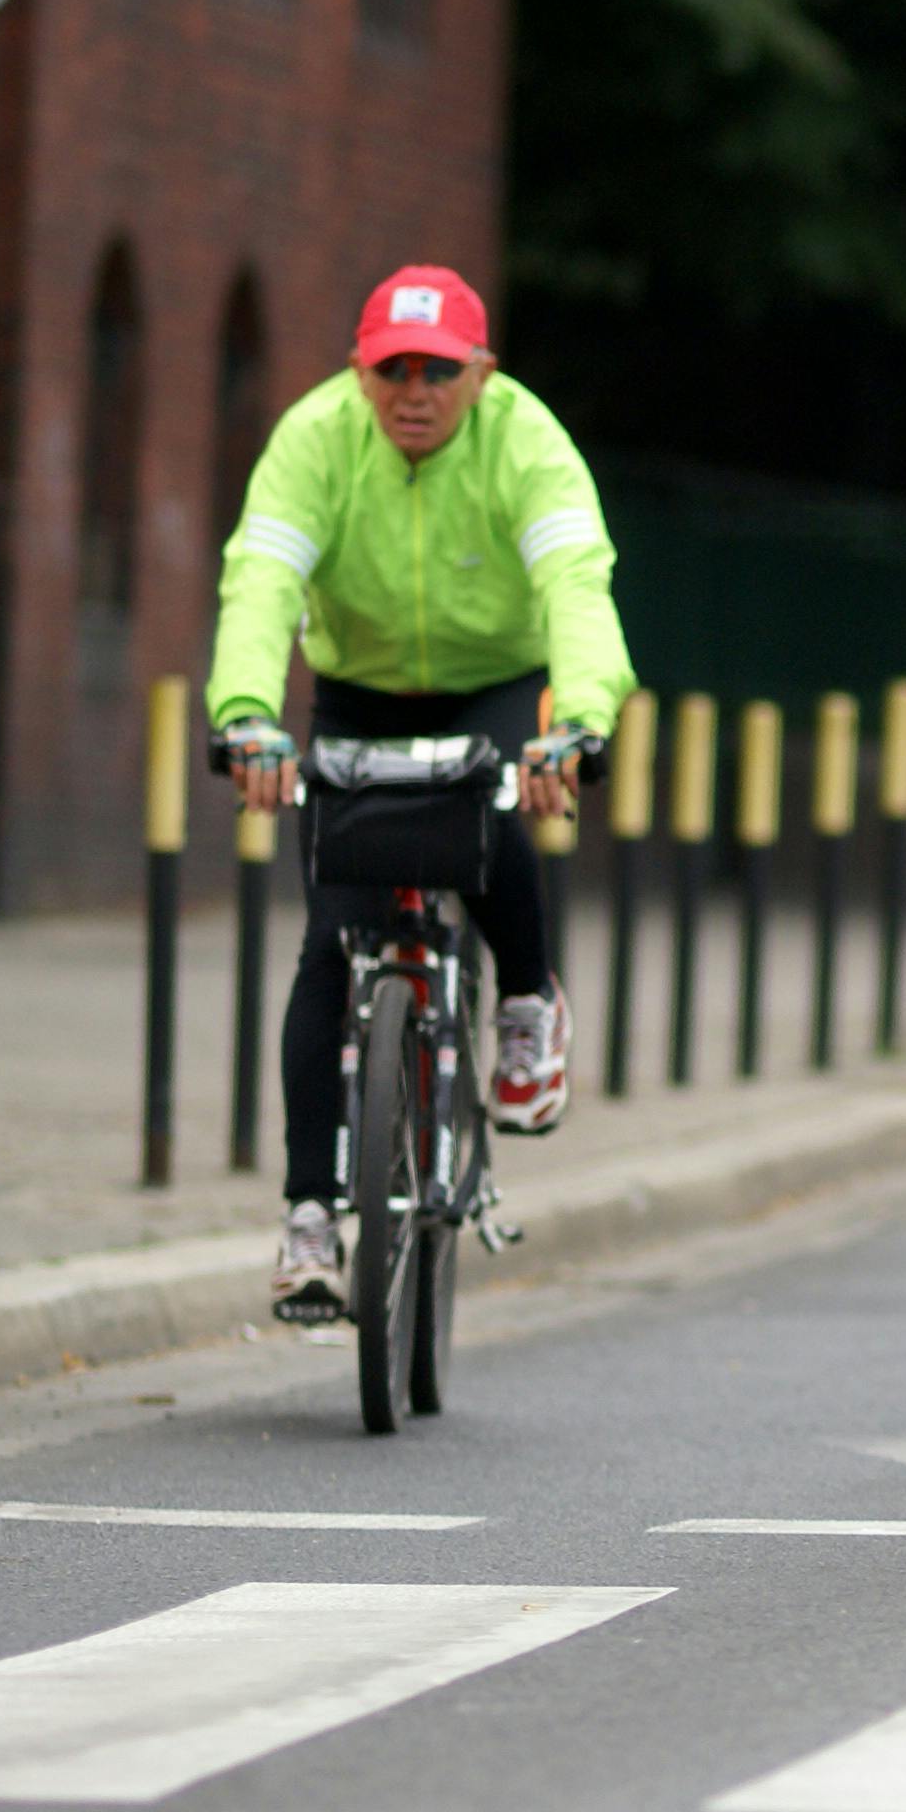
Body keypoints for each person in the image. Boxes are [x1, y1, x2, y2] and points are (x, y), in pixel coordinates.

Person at [209, 266, 636, 1319]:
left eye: (437, 371)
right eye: (390, 370)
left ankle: (528, 999)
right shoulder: (316, 440)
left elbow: (575, 584)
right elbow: (260, 578)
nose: (412, 391)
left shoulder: (525, 443)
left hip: (493, 678)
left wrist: (578, 724)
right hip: (356, 688)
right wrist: (246, 717)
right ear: (359, 374)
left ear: (479, 373)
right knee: (327, 943)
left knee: (505, 804)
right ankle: (310, 1215)